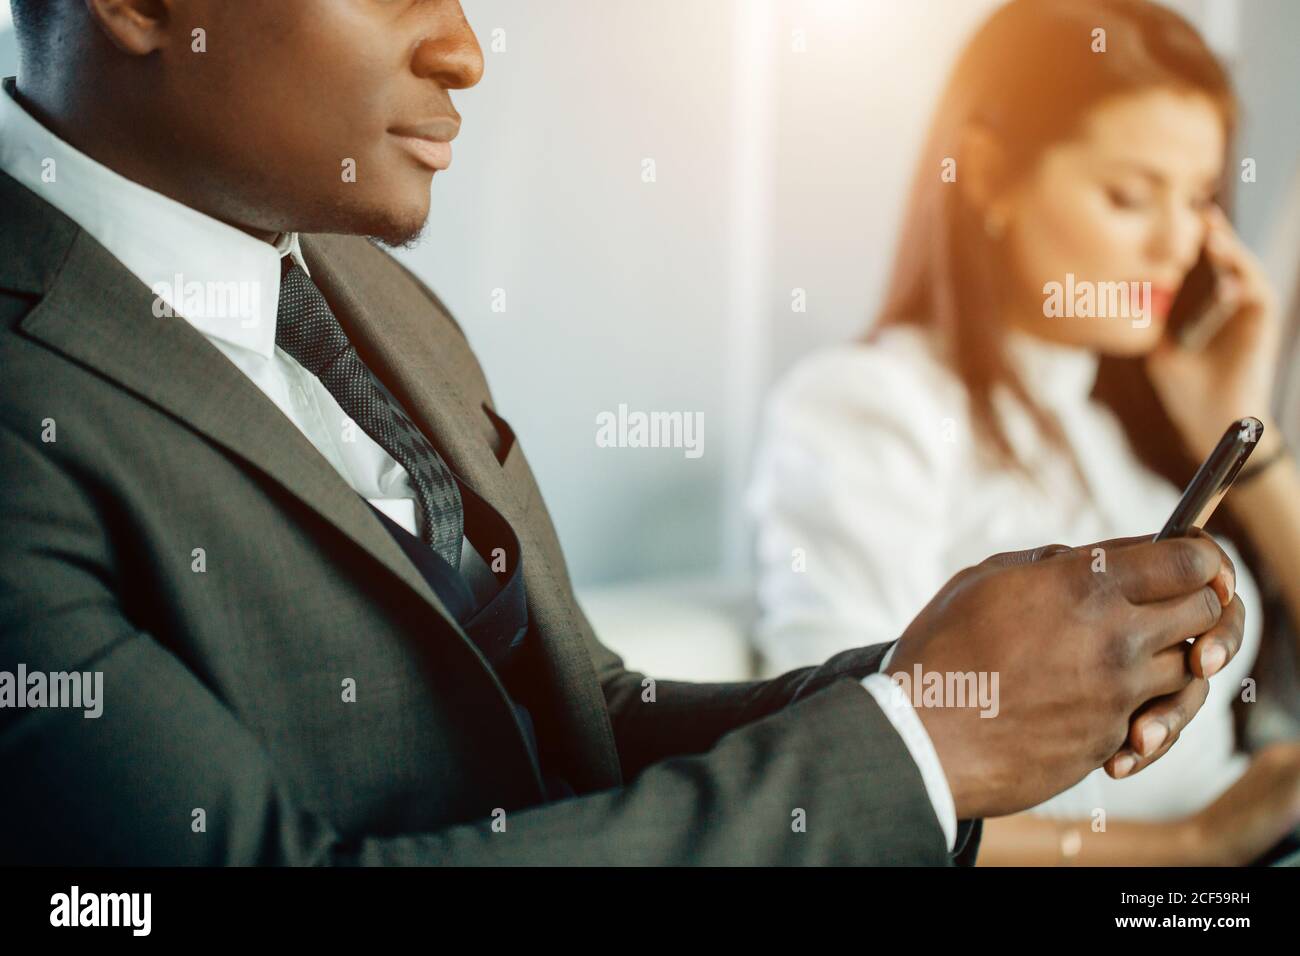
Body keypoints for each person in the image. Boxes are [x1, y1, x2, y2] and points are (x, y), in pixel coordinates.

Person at [0, 0, 1243, 866]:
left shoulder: (365, 290)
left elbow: (585, 708)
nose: (467, 51)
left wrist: (948, 680)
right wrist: (925, 743)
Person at [749, 0, 1300, 865]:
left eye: (1197, 199)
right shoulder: (870, 405)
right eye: (1129, 195)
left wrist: (1247, 443)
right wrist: (1198, 846)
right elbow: (847, 784)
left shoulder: (1119, 432)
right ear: (991, 174)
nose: (1178, 244)